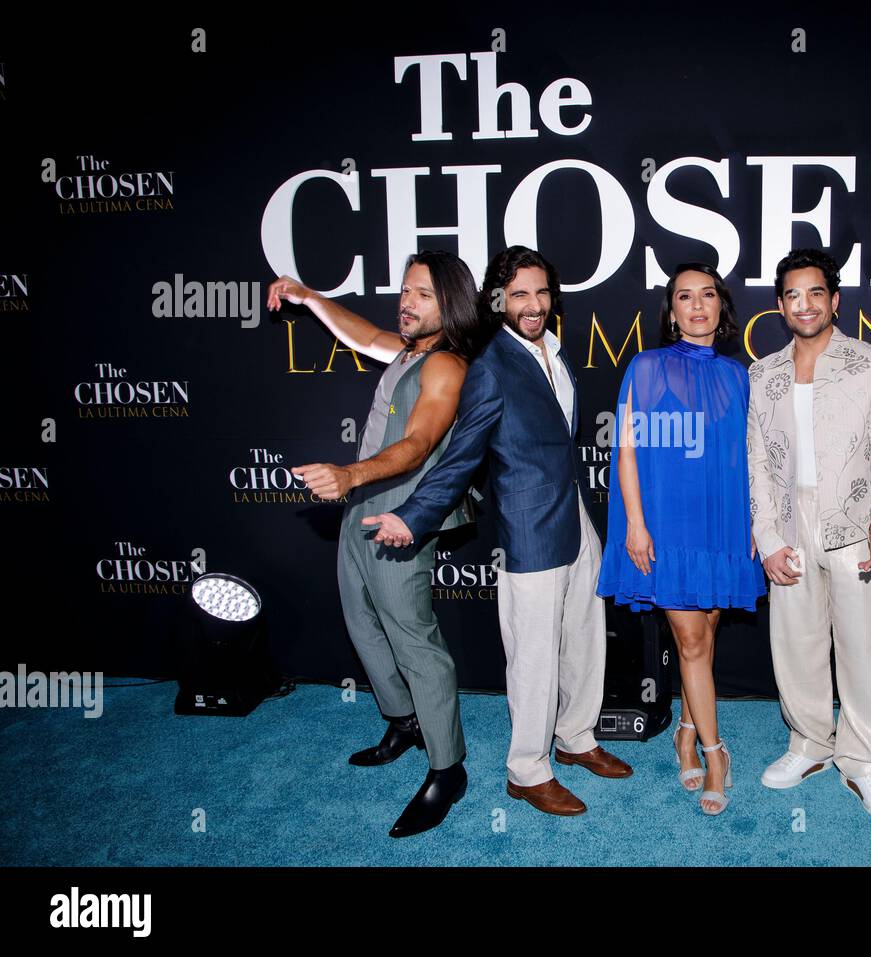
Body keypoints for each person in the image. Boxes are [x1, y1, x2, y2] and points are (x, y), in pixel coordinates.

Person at [361, 246, 632, 817]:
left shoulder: (554, 354)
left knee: (584, 632)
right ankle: (527, 771)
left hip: (575, 516)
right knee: (533, 654)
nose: (533, 305)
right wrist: (412, 516)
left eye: (541, 293)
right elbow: (460, 457)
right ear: (497, 300)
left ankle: (576, 737)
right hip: (530, 526)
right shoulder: (489, 366)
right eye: (520, 295)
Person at [266, 250, 488, 838]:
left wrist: (350, 474)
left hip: (400, 516)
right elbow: (362, 332)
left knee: (414, 640)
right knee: (363, 623)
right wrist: (309, 296)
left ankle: (449, 767)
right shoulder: (408, 349)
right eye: (406, 290)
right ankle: (403, 721)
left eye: (422, 294)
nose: (406, 302)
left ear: (451, 304)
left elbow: (416, 445)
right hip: (361, 511)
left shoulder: (445, 367)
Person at [747, 249, 871, 822]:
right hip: (792, 521)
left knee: (865, 647)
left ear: (834, 299)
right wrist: (766, 535)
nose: (806, 304)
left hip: (856, 522)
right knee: (796, 643)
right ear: (780, 305)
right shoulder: (762, 374)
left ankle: (864, 762)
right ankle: (810, 744)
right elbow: (757, 467)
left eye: (816, 292)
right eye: (793, 295)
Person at [596, 262, 765, 815]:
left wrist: (753, 529)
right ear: (671, 311)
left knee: (707, 634)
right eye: (684, 297)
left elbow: (746, 460)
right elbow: (626, 451)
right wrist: (636, 524)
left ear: (721, 306)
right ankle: (717, 754)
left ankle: (685, 734)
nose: (697, 305)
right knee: (691, 641)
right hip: (665, 525)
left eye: (707, 295)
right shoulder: (645, 367)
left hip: (722, 524)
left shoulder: (738, 375)